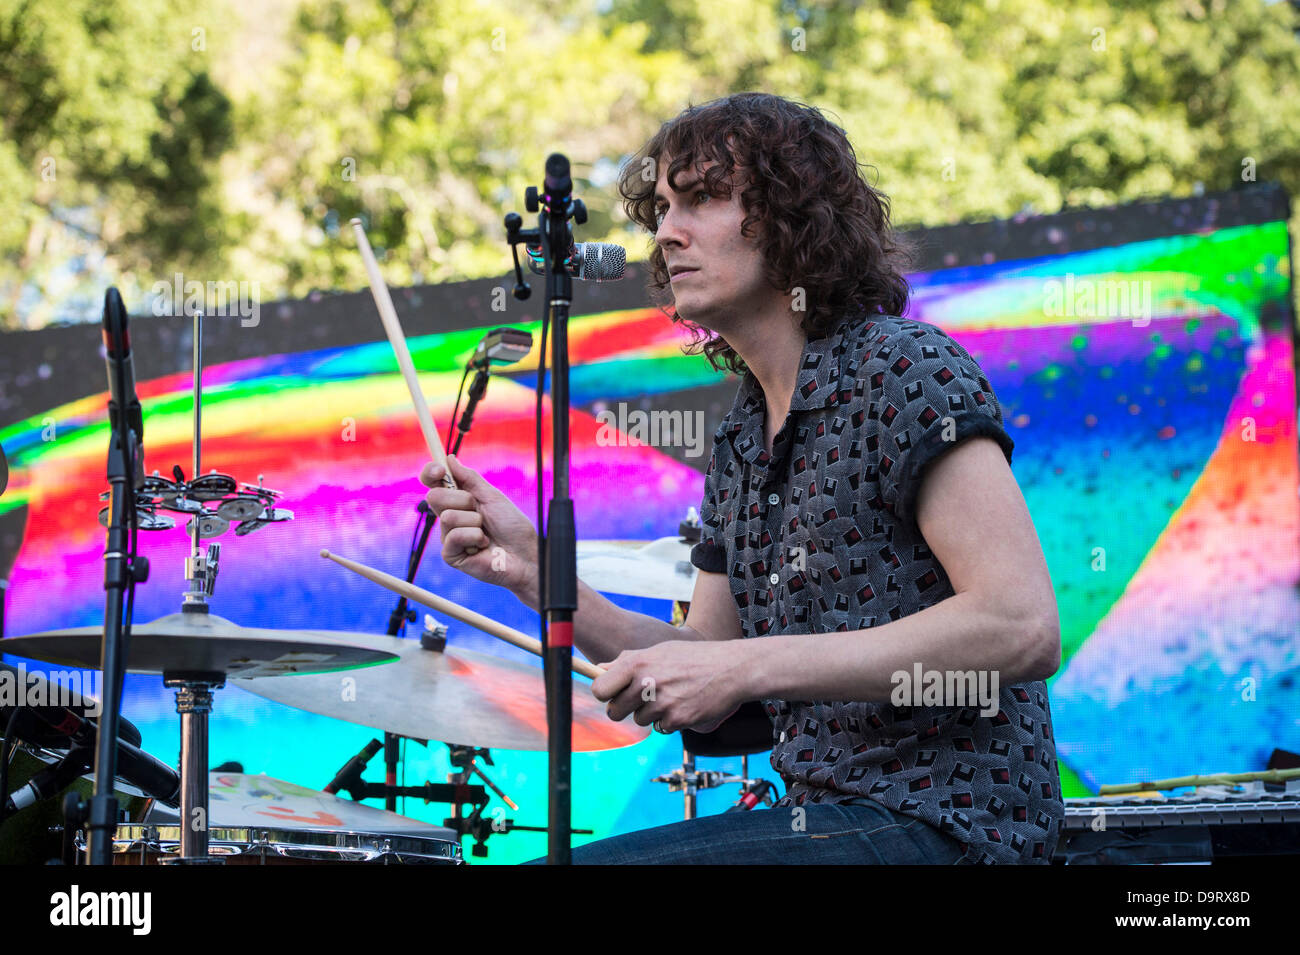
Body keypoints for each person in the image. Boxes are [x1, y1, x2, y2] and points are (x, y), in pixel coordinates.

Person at [421, 92, 1064, 864]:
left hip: (952, 827)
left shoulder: (903, 368)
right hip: (825, 818)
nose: (666, 232)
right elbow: (707, 661)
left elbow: (1020, 624)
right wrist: (536, 573)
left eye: (701, 198)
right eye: (661, 207)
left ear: (794, 215)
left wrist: (744, 663)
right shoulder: (741, 434)